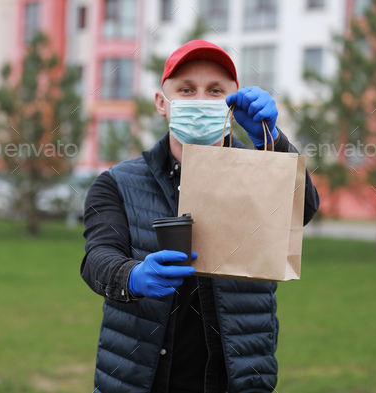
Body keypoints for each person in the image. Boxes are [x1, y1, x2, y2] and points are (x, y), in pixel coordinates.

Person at [81, 40, 320, 393]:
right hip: (140, 379)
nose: (200, 101)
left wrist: (272, 143)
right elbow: (97, 258)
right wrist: (132, 275)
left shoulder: (259, 174)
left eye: (215, 91)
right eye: (186, 90)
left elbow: (302, 210)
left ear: (234, 102)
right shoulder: (117, 182)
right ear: (162, 103)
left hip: (235, 378)